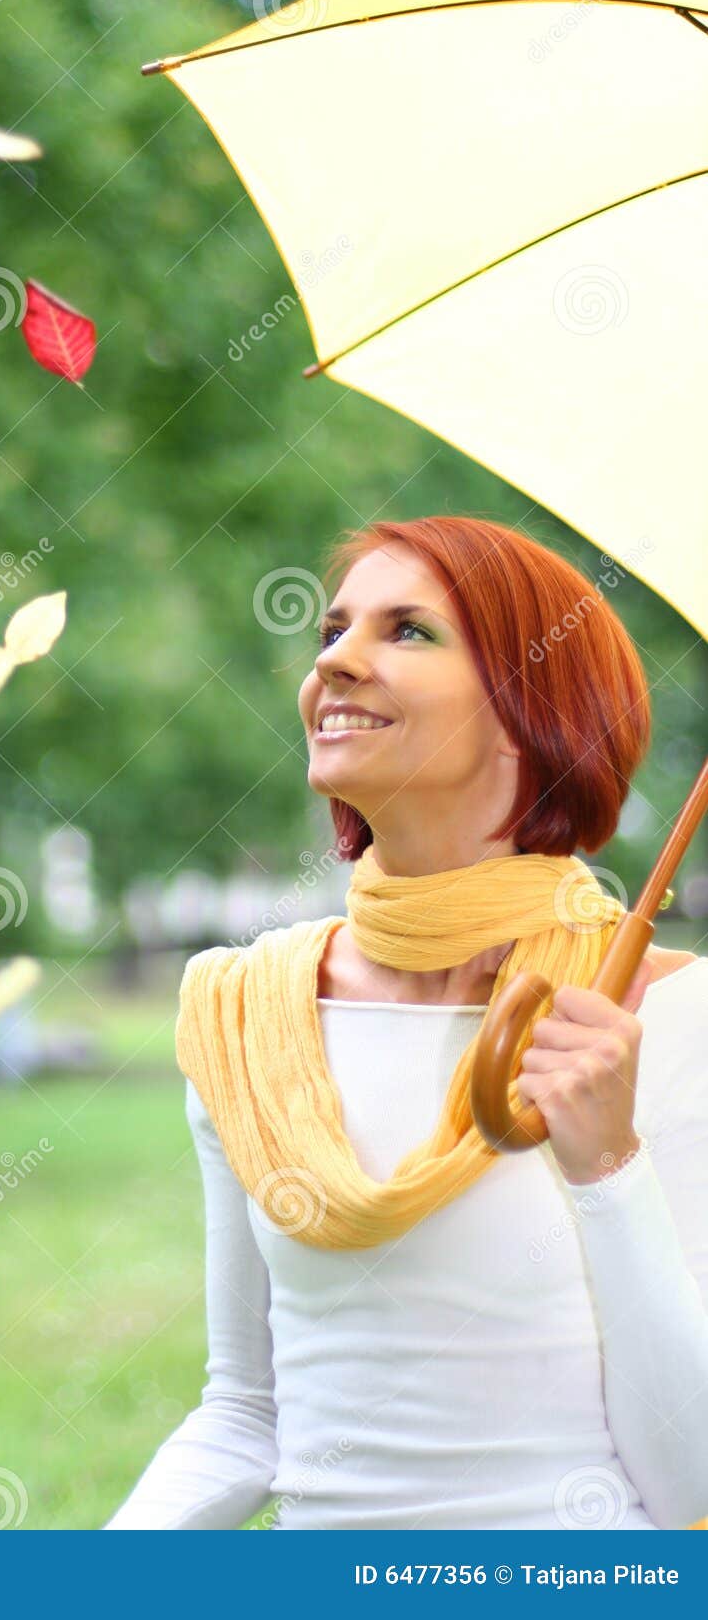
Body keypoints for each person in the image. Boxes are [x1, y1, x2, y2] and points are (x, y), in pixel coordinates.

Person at [104, 515, 708, 1531]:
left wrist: (609, 1165)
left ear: (529, 709)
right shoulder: (246, 1014)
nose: (336, 658)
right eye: (335, 630)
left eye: (408, 631)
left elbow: (693, 1487)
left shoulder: (670, 1021)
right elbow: (247, 1416)